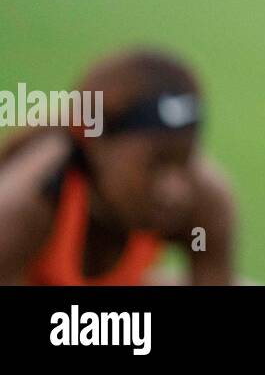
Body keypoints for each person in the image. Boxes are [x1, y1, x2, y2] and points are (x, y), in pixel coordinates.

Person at [0, 49, 237, 285]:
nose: (175, 192)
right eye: (156, 164)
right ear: (96, 143)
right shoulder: (26, 204)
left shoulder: (205, 200)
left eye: (185, 159)